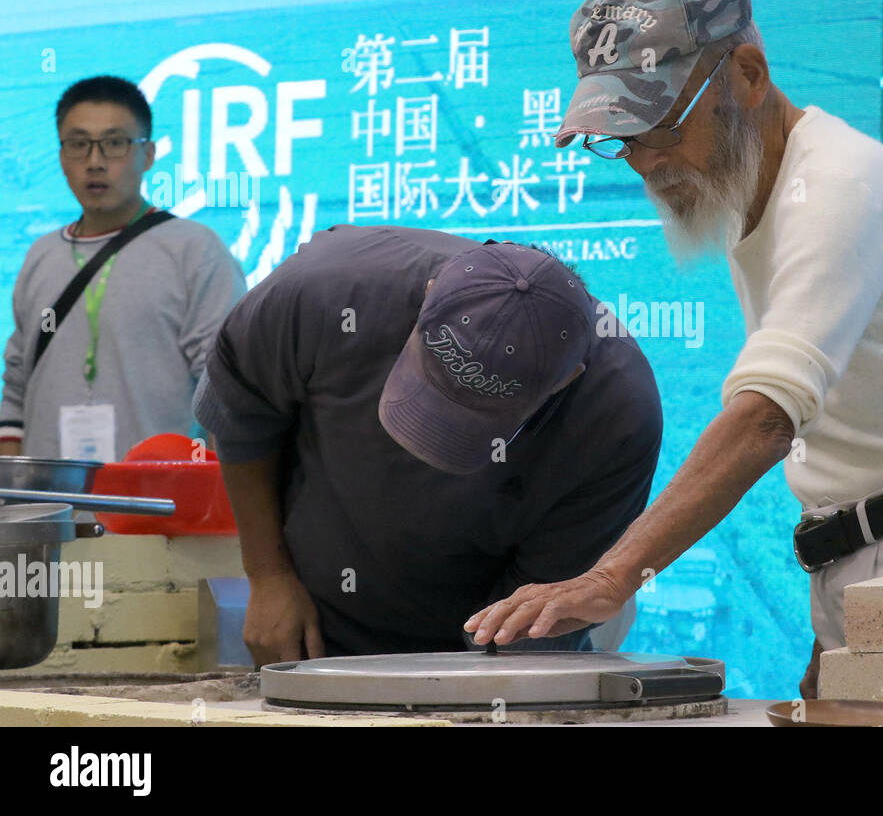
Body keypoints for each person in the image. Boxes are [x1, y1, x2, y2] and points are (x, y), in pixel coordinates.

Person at [464, 0, 883, 696]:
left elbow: (766, 421)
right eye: (626, 138)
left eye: (664, 126)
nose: (647, 163)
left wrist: (612, 576)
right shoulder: (764, 193)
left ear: (746, 75)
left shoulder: (835, 186)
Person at [191, 227, 662, 665]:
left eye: (471, 422)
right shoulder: (325, 290)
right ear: (428, 295)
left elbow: (532, 619)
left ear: (565, 383)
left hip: (474, 633)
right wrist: (267, 574)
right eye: (431, 392)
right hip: (317, 607)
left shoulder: (616, 415)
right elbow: (239, 413)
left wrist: (466, 696)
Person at [0, 75, 244, 461]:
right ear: (62, 156)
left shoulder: (195, 250)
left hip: (160, 507)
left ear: (147, 154)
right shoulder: (40, 257)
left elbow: (226, 393)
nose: (95, 162)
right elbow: (16, 390)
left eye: (114, 143)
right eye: (79, 144)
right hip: (52, 510)